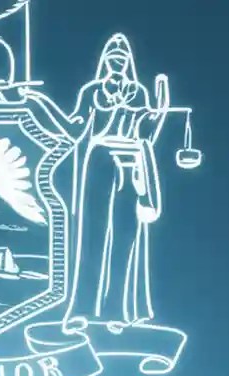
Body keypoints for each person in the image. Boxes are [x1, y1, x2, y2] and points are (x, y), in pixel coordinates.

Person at [63, 33, 170, 332]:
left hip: (130, 160)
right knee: (92, 235)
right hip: (99, 160)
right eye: (113, 58)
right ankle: (82, 310)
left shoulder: (137, 93)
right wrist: (48, 116)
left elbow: (146, 132)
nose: (117, 62)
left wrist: (160, 108)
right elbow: (76, 128)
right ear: (105, 61)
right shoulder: (92, 92)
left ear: (128, 63)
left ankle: (118, 312)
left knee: (126, 233)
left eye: (122, 59)